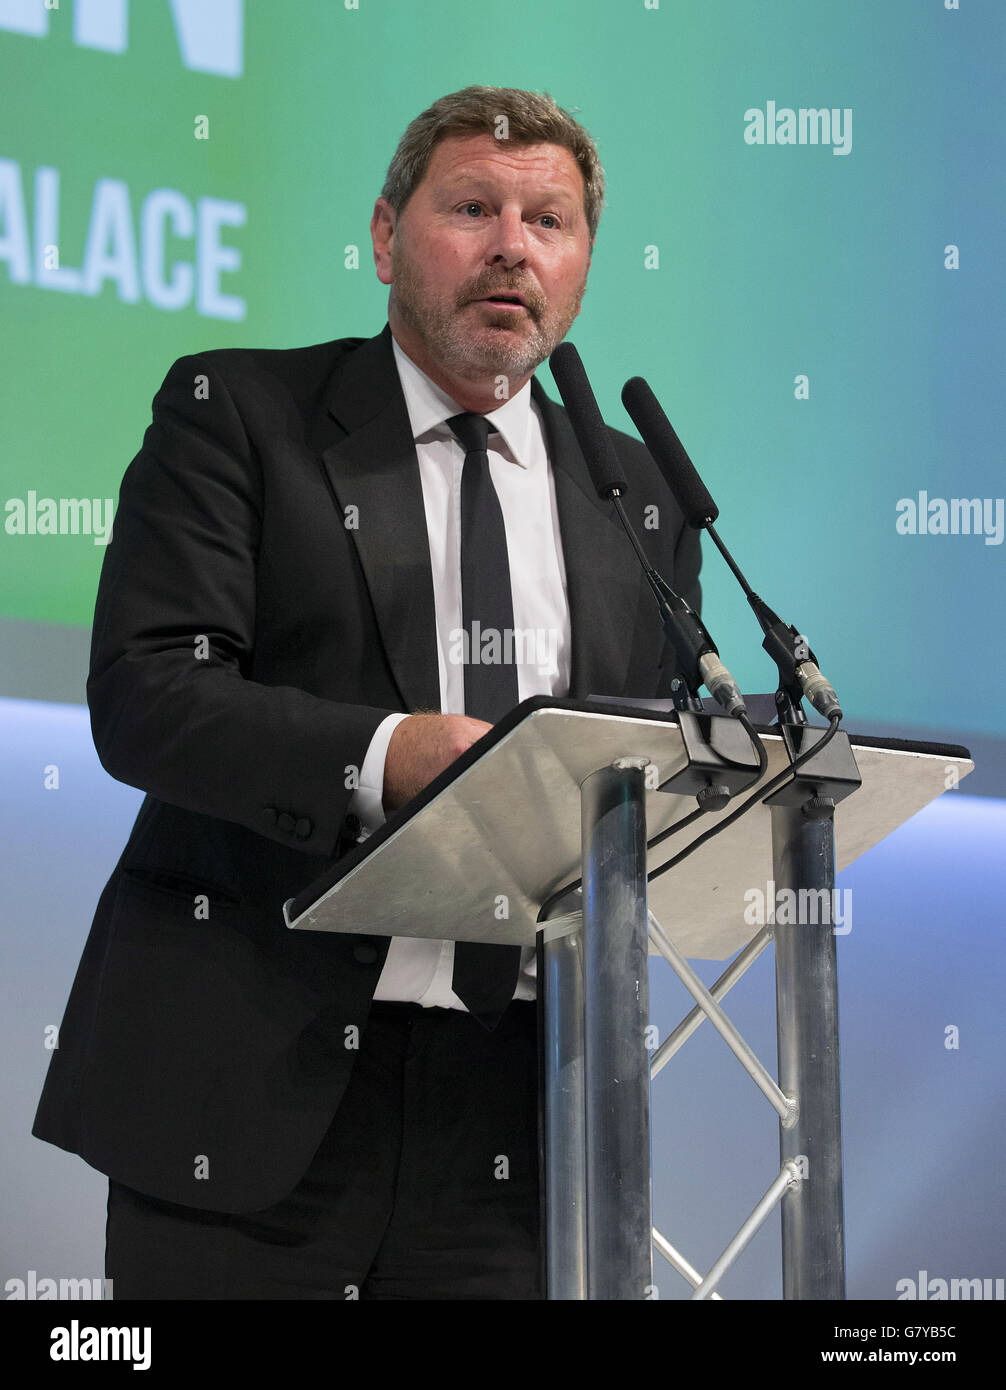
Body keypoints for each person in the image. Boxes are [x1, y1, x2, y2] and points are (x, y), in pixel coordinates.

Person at [32, 85, 701, 1300]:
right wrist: (387, 754)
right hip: (252, 1073)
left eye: (548, 220)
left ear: (583, 264)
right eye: (472, 208)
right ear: (387, 236)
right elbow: (147, 692)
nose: (512, 246)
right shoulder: (240, 416)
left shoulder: (636, 492)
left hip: (518, 1108)